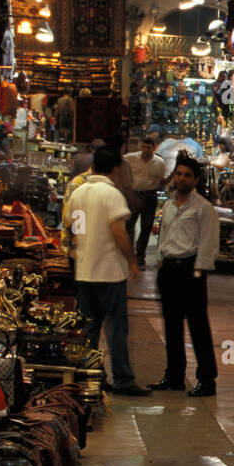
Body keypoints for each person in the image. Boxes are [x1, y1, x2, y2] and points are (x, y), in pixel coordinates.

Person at [63, 146, 149, 396]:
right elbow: (118, 231)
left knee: (89, 328)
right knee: (116, 329)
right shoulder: (111, 195)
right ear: (115, 169)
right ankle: (122, 379)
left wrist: (84, 250)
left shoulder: (78, 193)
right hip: (109, 273)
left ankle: (91, 376)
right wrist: (132, 260)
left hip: (85, 270)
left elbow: (73, 228)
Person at [150, 155, 220, 397]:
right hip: (168, 269)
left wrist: (199, 272)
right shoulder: (169, 205)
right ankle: (174, 376)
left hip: (191, 271)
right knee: (171, 326)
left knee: (198, 326)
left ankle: (207, 380)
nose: (181, 179)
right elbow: (164, 236)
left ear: (196, 179)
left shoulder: (203, 208)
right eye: (178, 174)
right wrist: (160, 261)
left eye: (187, 175)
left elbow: (208, 242)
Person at [124, 134, 169, 266]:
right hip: (133, 195)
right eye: (144, 146)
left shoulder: (159, 163)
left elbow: (162, 181)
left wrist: (172, 176)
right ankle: (128, 253)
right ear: (141, 146)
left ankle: (140, 255)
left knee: (146, 227)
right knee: (129, 225)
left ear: (153, 148)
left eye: (148, 147)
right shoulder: (130, 158)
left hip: (150, 196)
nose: (145, 150)